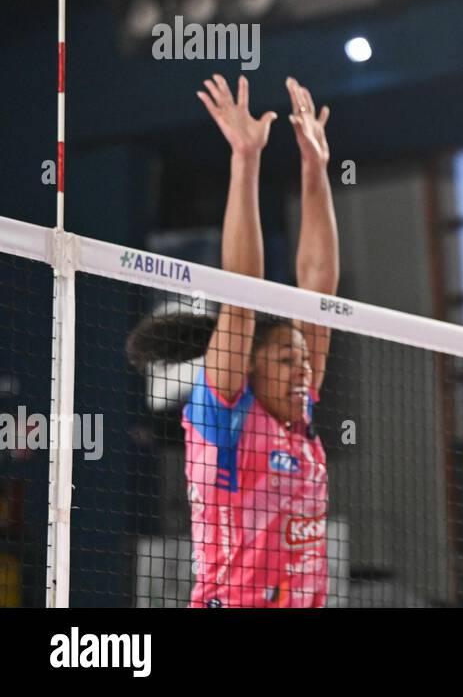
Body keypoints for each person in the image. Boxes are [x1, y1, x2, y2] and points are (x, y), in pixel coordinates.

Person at [126, 75, 339, 607]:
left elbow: (320, 288)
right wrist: (246, 159)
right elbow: (239, 299)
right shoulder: (225, 412)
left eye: (304, 358)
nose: (304, 368)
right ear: (248, 364)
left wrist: (316, 170)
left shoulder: (301, 416)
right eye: (288, 358)